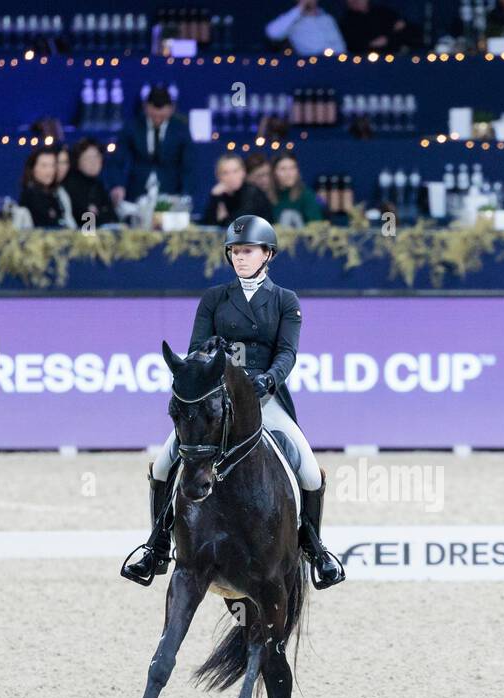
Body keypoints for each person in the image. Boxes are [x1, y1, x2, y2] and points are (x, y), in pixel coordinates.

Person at [121, 215, 346, 590]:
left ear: (267, 254)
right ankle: (156, 546)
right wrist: (214, 363)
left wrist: (267, 379)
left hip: (265, 398)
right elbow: (195, 349)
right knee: (162, 465)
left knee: (308, 470)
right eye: (235, 251)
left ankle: (314, 548)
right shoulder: (214, 299)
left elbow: (287, 353)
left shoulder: (285, 301)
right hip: (217, 400)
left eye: (248, 251)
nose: (240, 258)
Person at [109, 85, 193, 210]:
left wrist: (186, 193)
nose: (158, 120)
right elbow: (117, 159)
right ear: (146, 108)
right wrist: (117, 185)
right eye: (154, 116)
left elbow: (189, 165)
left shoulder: (180, 130)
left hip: (171, 191)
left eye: (162, 116)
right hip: (137, 191)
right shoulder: (132, 127)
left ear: (171, 109)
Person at [200, 154, 275, 225]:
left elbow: (238, 228)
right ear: (218, 176)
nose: (231, 177)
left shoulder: (253, 194)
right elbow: (207, 226)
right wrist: (214, 197)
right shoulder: (219, 195)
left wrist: (223, 220)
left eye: (235, 171)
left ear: (243, 172)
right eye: (225, 173)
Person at [63, 138, 119, 228]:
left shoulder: (99, 185)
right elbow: (86, 222)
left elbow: (113, 217)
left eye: (97, 156)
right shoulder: (70, 185)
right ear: (78, 161)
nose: (94, 162)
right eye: (88, 158)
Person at [266, 0, 347, 55]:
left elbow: (340, 45)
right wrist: (300, 8)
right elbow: (272, 33)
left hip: (336, 62)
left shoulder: (327, 18)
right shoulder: (293, 21)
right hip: (311, 65)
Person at [271, 151, 326, 226]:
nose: (288, 173)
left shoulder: (307, 195)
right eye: (283, 169)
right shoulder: (268, 197)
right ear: (274, 172)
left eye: (292, 168)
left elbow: (317, 225)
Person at [18, 146, 66, 227]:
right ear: (33, 169)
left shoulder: (54, 194)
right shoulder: (30, 196)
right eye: (44, 165)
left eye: (53, 165)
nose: (49, 170)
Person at [340, 0, 408, 52]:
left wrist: (389, 38)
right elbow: (349, 45)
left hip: (393, 55)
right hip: (362, 59)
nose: (355, 1)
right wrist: (370, 45)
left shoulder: (384, 13)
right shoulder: (345, 22)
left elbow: (403, 29)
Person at [54, 147, 77, 230]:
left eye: (65, 162)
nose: (61, 167)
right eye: (57, 162)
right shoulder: (38, 192)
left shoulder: (64, 191)